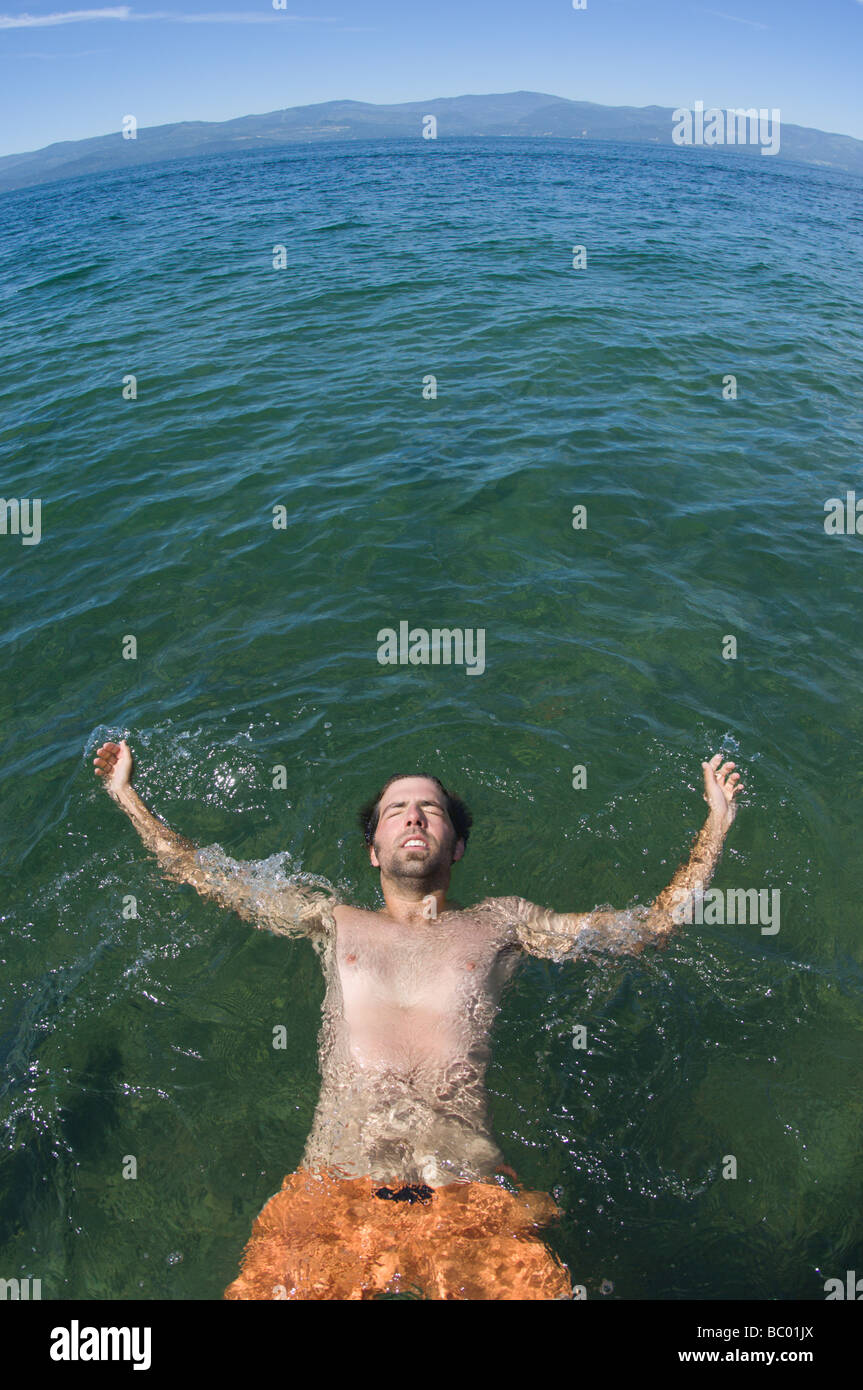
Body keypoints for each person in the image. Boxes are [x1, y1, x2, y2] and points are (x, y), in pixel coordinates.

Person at [93, 739, 742, 1300]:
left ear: (455, 845)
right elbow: (200, 872)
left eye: (429, 808)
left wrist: (715, 824)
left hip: (467, 1202)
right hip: (331, 1199)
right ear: (373, 848)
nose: (412, 814)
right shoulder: (330, 920)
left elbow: (648, 929)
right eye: (395, 809)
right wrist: (127, 796)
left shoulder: (502, 923)